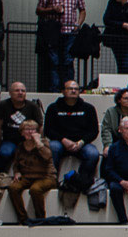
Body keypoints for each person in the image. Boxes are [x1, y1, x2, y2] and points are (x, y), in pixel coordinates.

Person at [42, 79, 100, 208]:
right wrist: (63, 140)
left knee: (93, 153)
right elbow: (48, 130)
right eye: (70, 88)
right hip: (60, 142)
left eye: (76, 89)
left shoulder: (88, 108)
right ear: (63, 91)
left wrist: (81, 142)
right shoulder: (53, 108)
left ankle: (80, 181)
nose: (74, 91)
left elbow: (94, 131)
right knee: (53, 147)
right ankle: (52, 180)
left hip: (81, 144)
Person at [35, 0, 85, 92]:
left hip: (70, 32)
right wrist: (53, 9)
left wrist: (77, 25)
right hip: (53, 32)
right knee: (54, 61)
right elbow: (39, 10)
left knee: (68, 61)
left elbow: (82, 10)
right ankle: (55, 89)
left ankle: (69, 88)